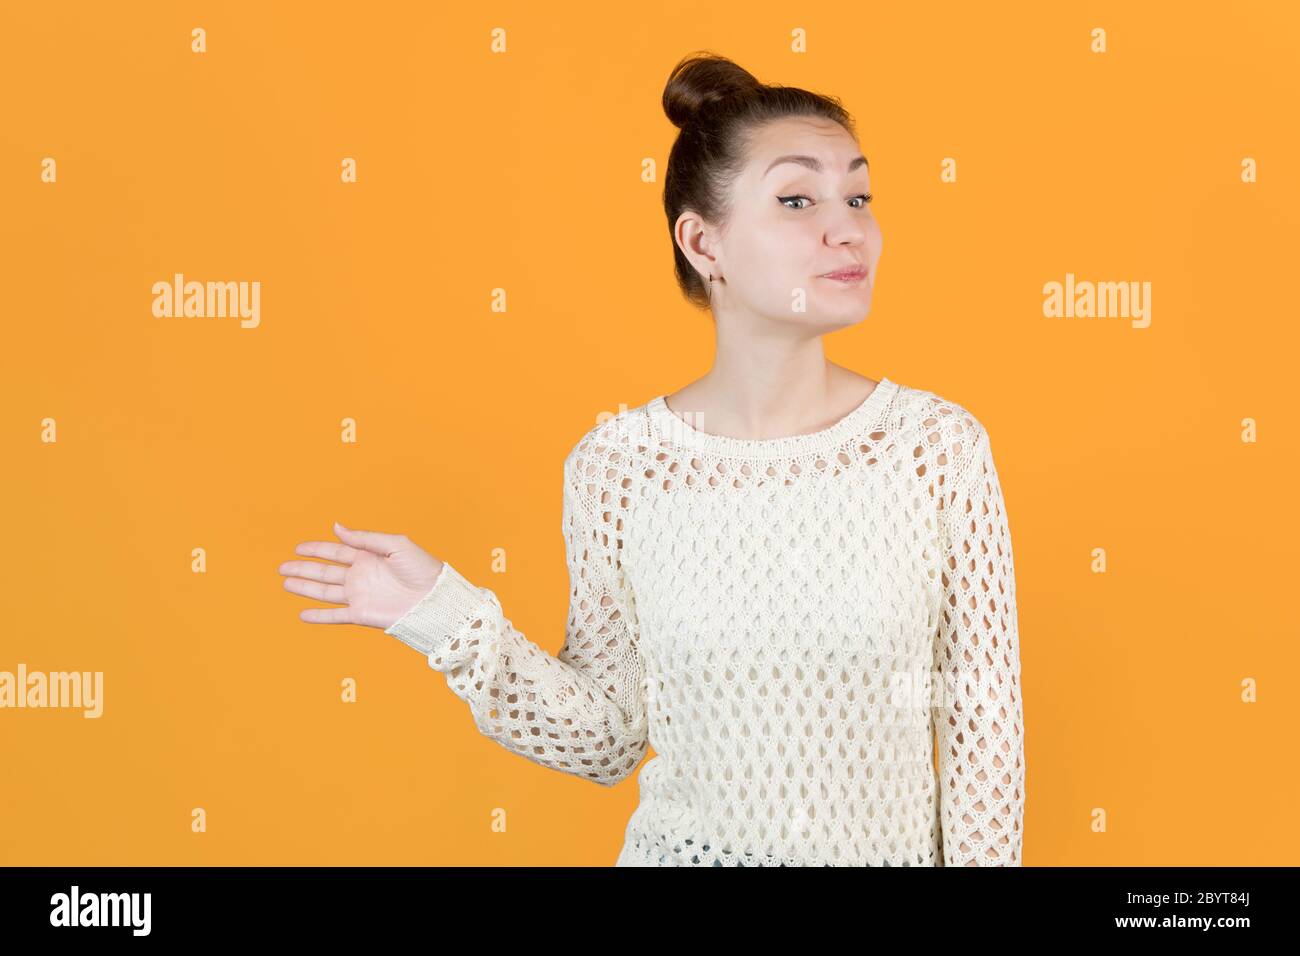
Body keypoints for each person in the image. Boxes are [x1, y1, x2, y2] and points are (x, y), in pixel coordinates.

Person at [278, 51, 1025, 867]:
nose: (846, 226)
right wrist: (443, 614)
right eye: (798, 198)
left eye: (859, 196)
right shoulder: (621, 468)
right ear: (703, 241)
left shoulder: (935, 450)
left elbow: (986, 746)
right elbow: (605, 737)